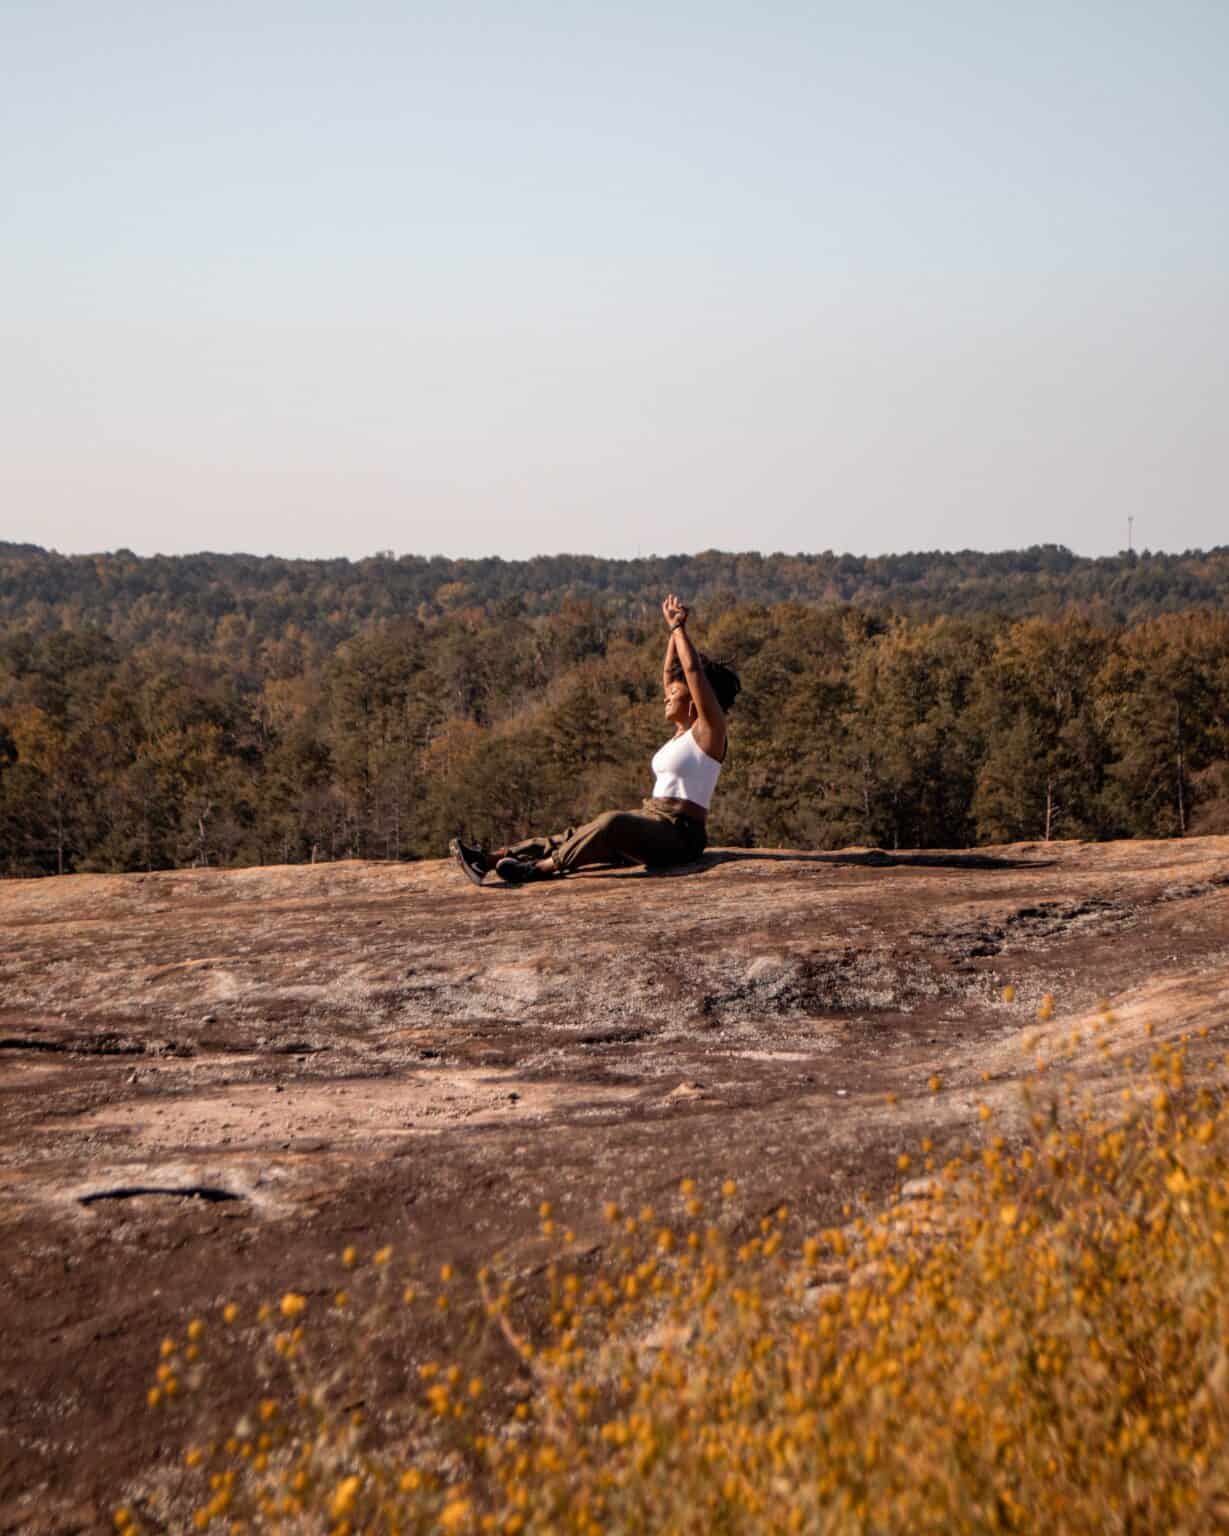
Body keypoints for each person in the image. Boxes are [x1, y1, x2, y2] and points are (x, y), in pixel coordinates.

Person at [450, 594, 740, 885]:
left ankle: (539, 869)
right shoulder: (679, 736)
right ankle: (487, 860)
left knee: (611, 823)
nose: (666, 695)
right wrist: (670, 632)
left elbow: (692, 673)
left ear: (695, 699)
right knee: (576, 833)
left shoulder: (709, 732)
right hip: (652, 818)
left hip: (680, 835)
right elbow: (671, 675)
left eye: (675, 694)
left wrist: (679, 629)